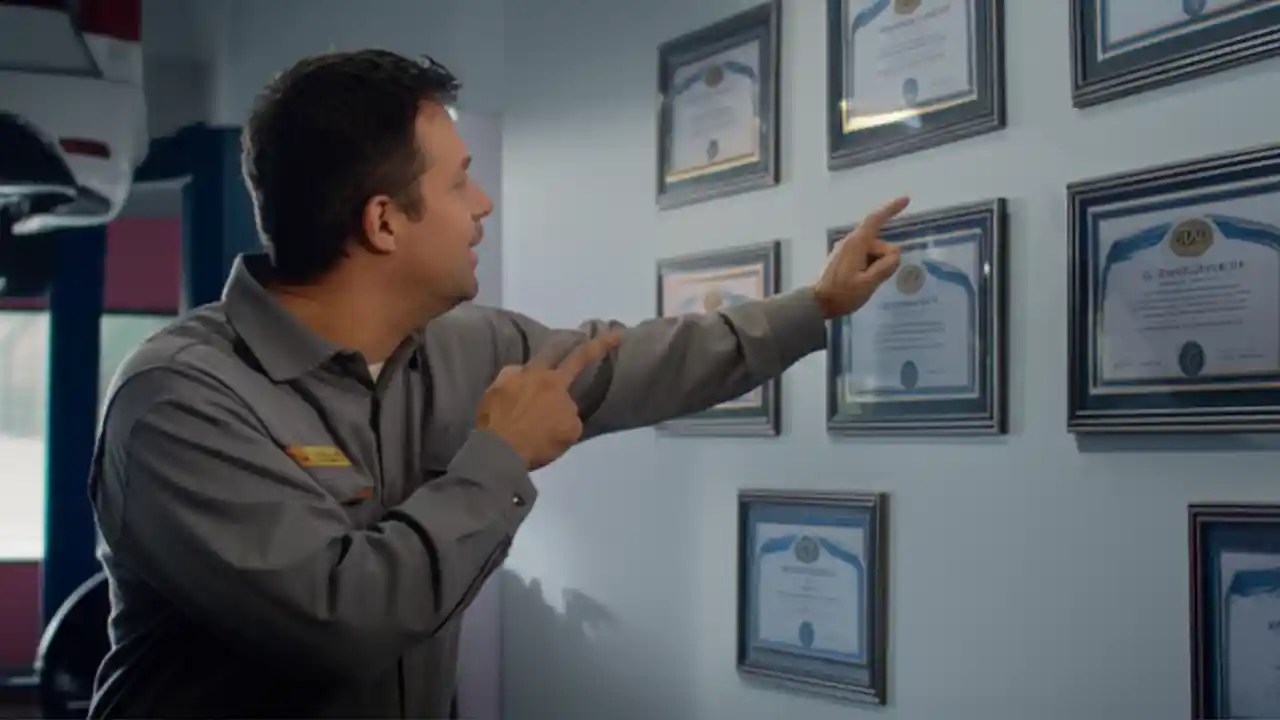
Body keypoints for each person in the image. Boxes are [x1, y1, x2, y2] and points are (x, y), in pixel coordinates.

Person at [86, 49, 907, 719]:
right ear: (382, 221)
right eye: (457, 184)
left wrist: (817, 306)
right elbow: (346, 620)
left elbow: (642, 361)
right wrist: (498, 458)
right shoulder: (179, 401)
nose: (481, 205)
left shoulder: (469, 344)